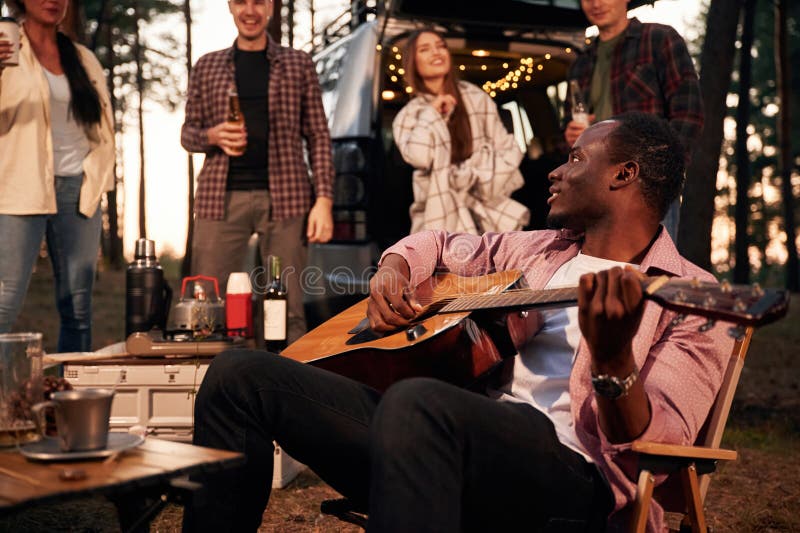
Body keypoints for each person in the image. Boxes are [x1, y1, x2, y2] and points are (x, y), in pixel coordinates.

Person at [184, 113, 734, 532]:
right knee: (239, 376)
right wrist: (393, 267)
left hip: (573, 476)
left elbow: (659, 439)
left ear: (624, 174)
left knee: (418, 402)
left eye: (574, 159)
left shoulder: (699, 299)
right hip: (442, 439)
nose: (556, 170)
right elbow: (439, 242)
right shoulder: (539, 249)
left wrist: (615, 360)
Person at [181, 0, 334, 343]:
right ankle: (213, 388)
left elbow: (319, 135)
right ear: (230, 7)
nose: (249, 10)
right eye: (241, 2)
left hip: (287, 200)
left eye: (258, 2)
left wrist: (323, 199)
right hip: (218, 201)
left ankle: (285, 390)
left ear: (271, 8)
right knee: (206, 306)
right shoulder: (208, 66)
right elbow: (188, 134)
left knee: (288, 308)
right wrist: (213, 135)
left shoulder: (298, 64)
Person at [0, 0, 114, 352]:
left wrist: (97, 176)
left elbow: (101, 125)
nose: (53, 0)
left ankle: (70, 400)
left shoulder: (82, 58)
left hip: (78, 187)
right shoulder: (5, 48)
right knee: (5, 301)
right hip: (20, 185)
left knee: (78, 308)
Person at [564, 0, 703, 240]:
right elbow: (567, 126)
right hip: (595, 186)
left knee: (651, 270)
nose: (596, 3)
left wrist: (658, 175)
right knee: (597, 270)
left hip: (648, 186)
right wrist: (570, 135)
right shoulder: (580, 63)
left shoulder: (659, 39)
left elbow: (689, 115)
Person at [392, 29, 529, 234]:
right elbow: (419, 157)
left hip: (489, 212)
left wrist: (482, 178)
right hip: (434, 216)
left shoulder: (475, 97)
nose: (436, 53)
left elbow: (507, 147)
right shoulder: (409, 115)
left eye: (441, 46)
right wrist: (433, 114)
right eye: (425, 49)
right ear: (413, 61)